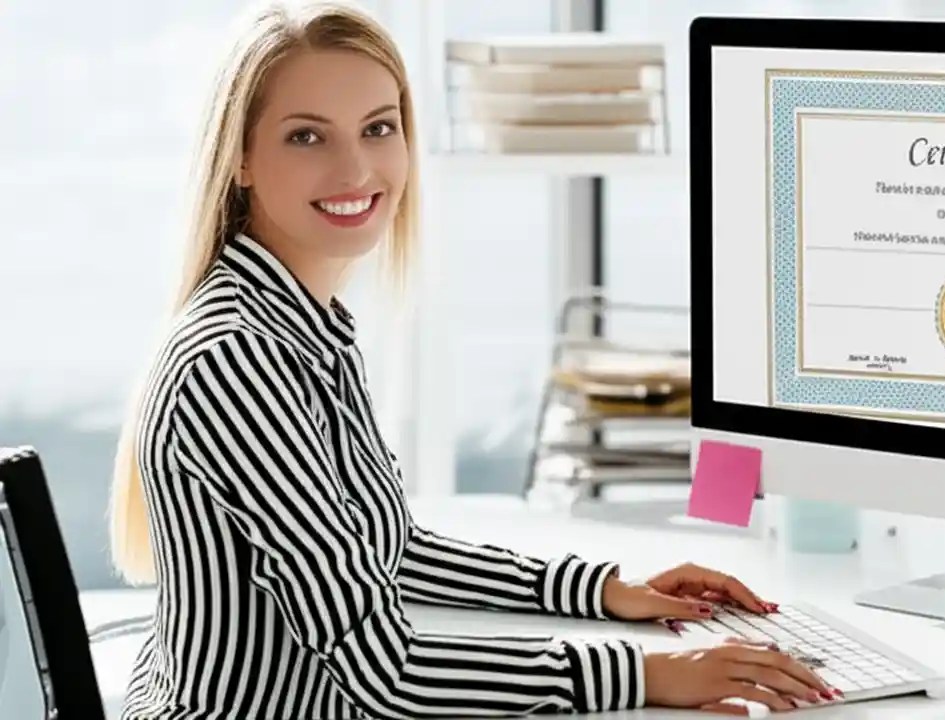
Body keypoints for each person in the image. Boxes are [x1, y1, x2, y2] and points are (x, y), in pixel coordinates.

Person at [107, 2, 836, 717]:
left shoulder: (303, 328)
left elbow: (384, 552)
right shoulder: (240, 361)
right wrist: (644, 674)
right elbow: (381, 669)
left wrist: (602, 590)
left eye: (378, 128)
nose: (356, 168)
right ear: (239, 157)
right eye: (307, 137)